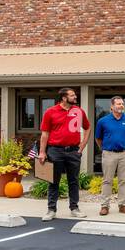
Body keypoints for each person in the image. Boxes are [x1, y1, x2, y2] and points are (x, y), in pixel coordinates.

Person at [37, 87, 89, 221]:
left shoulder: (79, 111)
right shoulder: (50, 112)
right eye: (72, 95)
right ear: (64, 98)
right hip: (55, 150)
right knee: (53, 181)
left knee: (74, 181)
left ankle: (74, 208)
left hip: (73, 151)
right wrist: (42, 152)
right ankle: (51, 210)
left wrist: (82, 145)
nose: (75, 97)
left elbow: (87, 127)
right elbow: (45, 134)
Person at [95, 96, 125, 216]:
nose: (121, 106)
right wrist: (104, 148)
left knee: (123, 181)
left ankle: (122, 205)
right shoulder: (103, 121)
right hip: (109, 153)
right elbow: (98, 138)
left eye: (122, 104)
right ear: (112, 106)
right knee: (107, 181)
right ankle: (105, 206)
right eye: (118, 104)